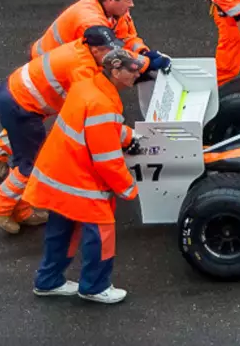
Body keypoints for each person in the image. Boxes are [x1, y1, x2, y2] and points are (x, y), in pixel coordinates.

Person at [0, 0, 169, 178]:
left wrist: (144, 53)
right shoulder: (90, 21)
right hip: (53, 66)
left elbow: (126, 38)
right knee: (61, 112)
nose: (132, 4)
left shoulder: (107, 6)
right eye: (128, 0)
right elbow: (110, 55)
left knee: (33, 113)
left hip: (57, 65)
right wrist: (145, 64)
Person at [0, 26, 132, 234]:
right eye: (107, 50)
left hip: (16, 97)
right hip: (22, 107)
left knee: (28, 157)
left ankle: (21, 211)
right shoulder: (81, 68)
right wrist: (122, 135)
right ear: (94, 50)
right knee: (31, 165)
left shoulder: (81, 50)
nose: (111, 54)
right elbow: (89, 110)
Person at [22, 48, 144, 304]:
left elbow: (97, 129)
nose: (137, 73)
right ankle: (95, 287)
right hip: (78, 180)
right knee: (101, 232)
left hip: (58, 174)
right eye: (132, 69)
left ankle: (48, 280)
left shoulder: (88, 87)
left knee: (61, 229)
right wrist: (129, 189)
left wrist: (127, 136)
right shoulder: (102, 104)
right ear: (115, 71)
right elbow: (107, 160)